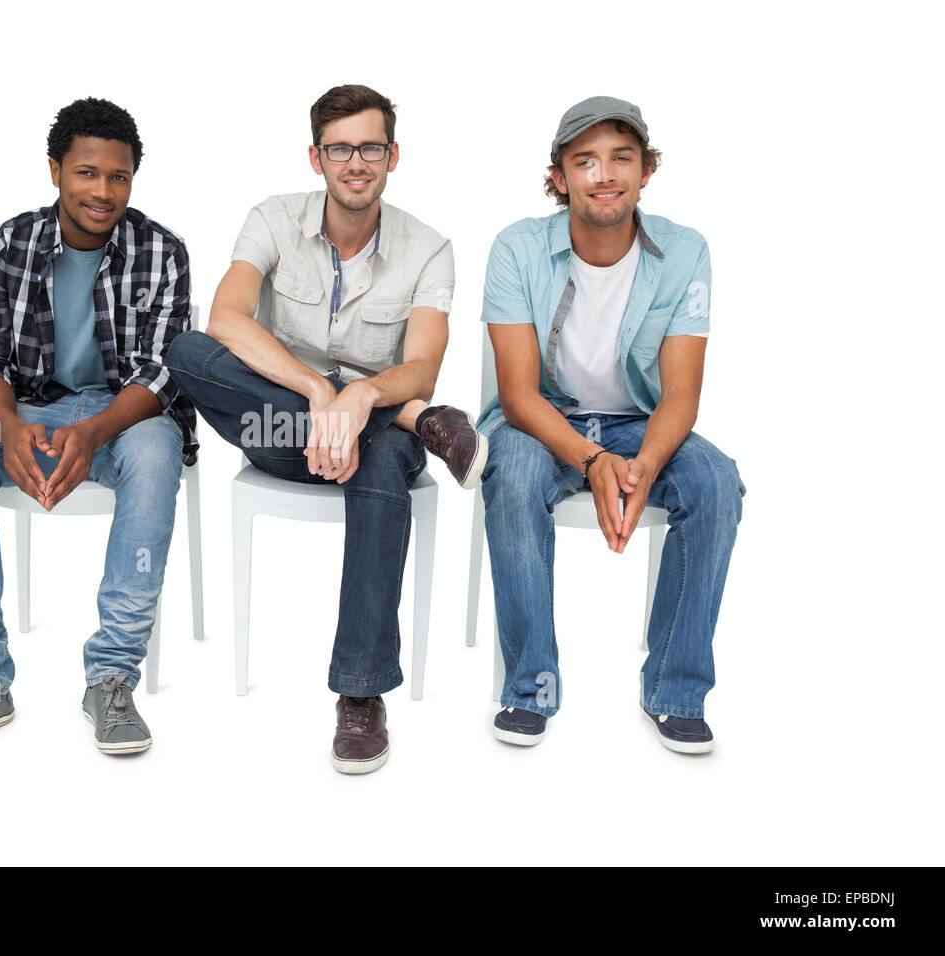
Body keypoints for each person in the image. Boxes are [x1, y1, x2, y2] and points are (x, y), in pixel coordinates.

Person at [166, 84, 486, 775]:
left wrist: (366, 394)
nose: (356, 162)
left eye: (370, 146)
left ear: (393, 154)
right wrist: (319, 391)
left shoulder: (430, 249)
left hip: (377, 434)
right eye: (340, 148)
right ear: (316, 156)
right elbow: (225, 319)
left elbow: (423, 365)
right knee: (187, 351)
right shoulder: (273, 219)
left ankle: (361, 693)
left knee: (376, 455)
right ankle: (418, 427)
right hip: (281, 423)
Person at [0, 97, 195, 760]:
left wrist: (94, 432)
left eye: (118, 177)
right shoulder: (13, 242)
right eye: (87, 173)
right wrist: (4, 424)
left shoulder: (162, 250)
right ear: (55, 172)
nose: (102, 191)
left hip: (126, 418)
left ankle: (112, 679)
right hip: (30, 410)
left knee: (159, 451)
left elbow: (161, 375)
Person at [477, 96, 745, 754]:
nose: (604, 173)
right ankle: (529, 686)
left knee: (716, 480)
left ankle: (677, 690)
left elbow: (682, 393)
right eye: (585, 160)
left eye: (621, 157)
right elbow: (516, 395)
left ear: (645, 170)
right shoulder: (516, 248)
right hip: (543, 422)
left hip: (639, 424)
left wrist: (644, 463)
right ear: (560, 175)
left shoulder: (685, 253)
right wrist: (592, 461)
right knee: (511, 471)